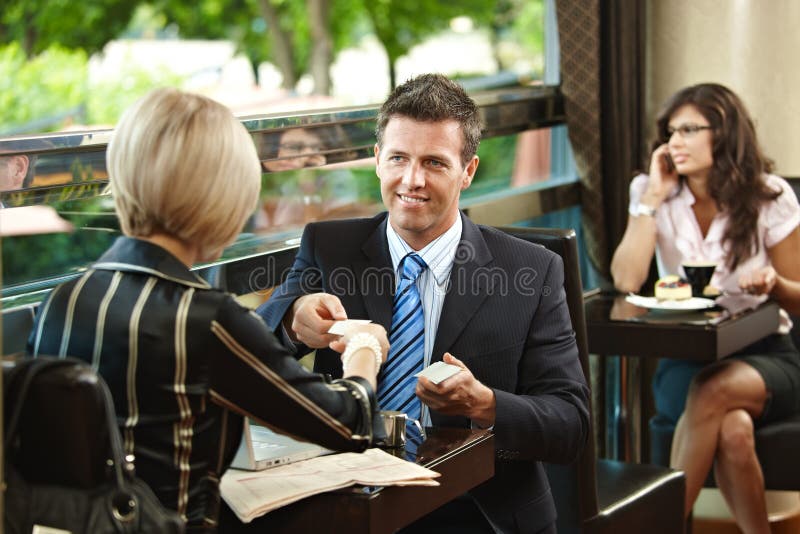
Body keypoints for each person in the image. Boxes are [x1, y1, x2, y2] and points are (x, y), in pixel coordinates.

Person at [26, 87, 389, 532]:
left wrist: (291, 328)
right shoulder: (206, 320)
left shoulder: (61, 300)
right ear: (223, 197)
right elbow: (350, 423)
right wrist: (365, 345)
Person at [257, 73, 590, 534]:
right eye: (398, 158)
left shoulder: (530, 271)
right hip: (352, 501)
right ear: (376, 160)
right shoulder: (327, 247)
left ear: (467, 171)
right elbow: (254, 345)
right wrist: (293, 321)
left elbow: (571, 424)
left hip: (479, 509)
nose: (412, 181)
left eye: (434, 162)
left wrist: (486, 403)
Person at [611, 83, 800, 534]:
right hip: (686, 358)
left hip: (768, 353)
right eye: (670, 132)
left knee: (715, 392)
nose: (673, 142)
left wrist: (774, 285)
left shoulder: (769, 195)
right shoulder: (650, 192)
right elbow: (625, 280)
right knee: (733, 429)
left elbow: (799, 292)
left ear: (725, 133)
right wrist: (652, 199)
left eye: (689, 130)